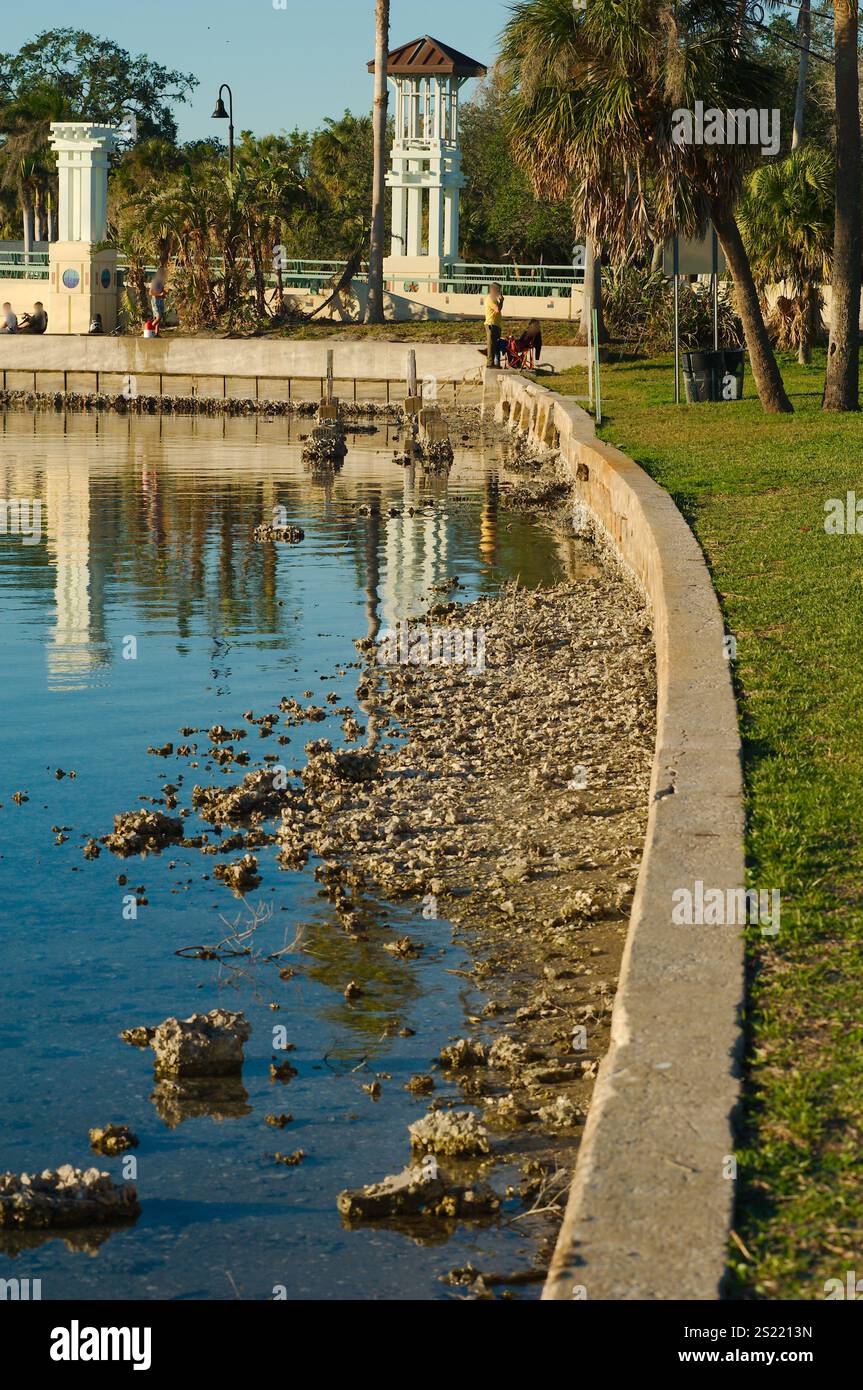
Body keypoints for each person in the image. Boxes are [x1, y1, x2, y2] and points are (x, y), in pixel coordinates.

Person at [484, 282, 504, 368]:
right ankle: (490, 364)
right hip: (491, 325)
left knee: (496, 345)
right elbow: (497, 309)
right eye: (499, 290)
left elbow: (498, 309)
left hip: (496, 325)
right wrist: (501, 301)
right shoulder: (490, 299)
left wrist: (501, 301)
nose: (500, 292)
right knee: (491, 345)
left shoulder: (494, 299)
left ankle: (496, 363)